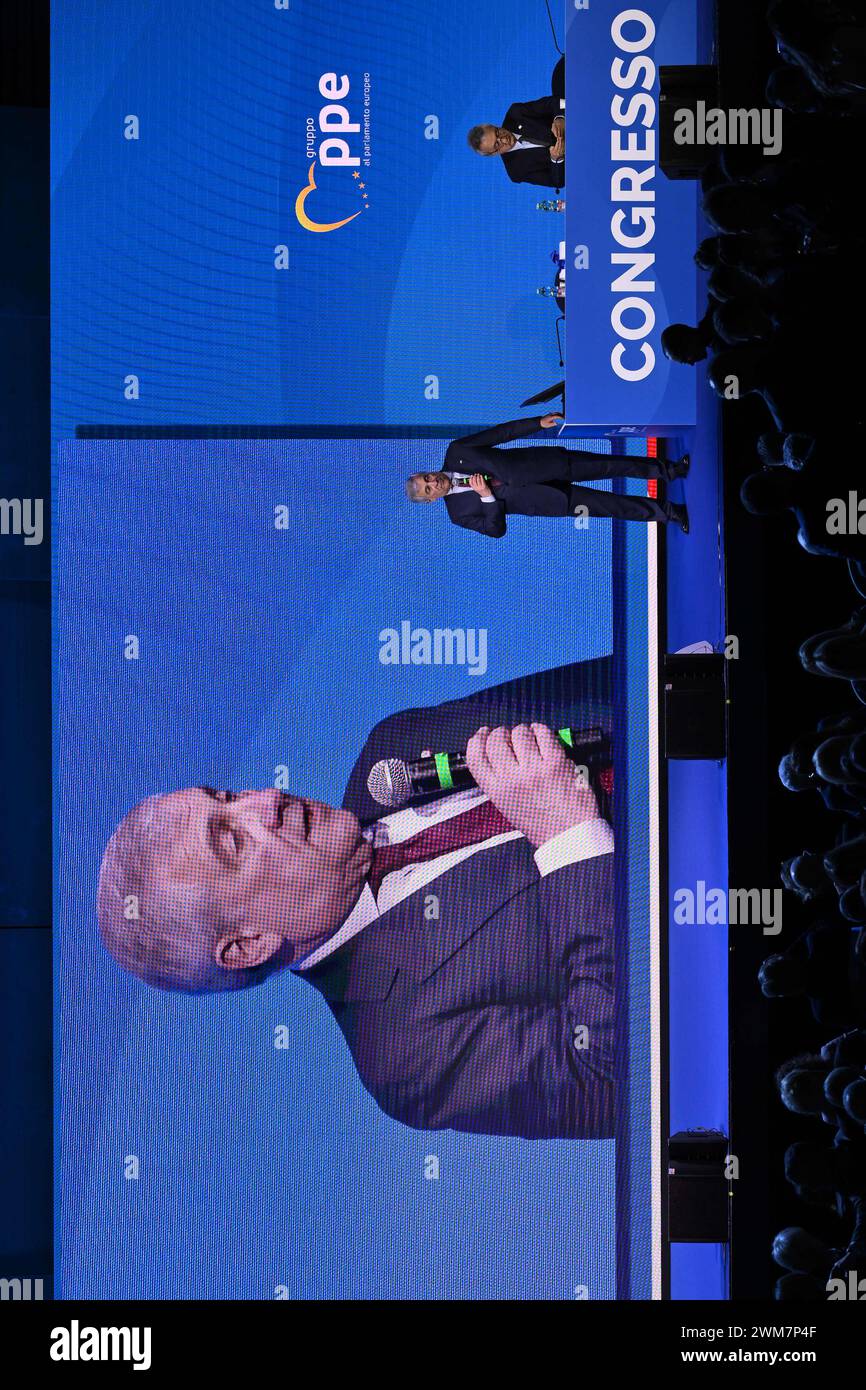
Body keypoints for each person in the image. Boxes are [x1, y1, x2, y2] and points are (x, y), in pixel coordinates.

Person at [97, 657, 618, 1139]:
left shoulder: (391, 749)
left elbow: (605, 684)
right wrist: (566, 834)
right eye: (233, 840)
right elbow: (612, 1075)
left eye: (228, 797)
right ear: (249, 944)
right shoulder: (403, 1054)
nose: (268, 801)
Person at [406, 414, 689, 537]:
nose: (433, 483)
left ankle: (669, 470)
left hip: (546, 463)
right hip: (548, 500)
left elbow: (500, 434)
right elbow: (495, 530)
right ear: (431, 501)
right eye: (428, 490)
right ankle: (668, 512)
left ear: (428, 472)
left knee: (610, 464)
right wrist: (486, 497)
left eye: (427, 478)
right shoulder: (458, 514)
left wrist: (536, 424)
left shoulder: (458, 451)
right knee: (610, 506)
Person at [467, 84, 565, 188]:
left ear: (495, 126)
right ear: (492, 154)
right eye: (497, 144)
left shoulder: (516, 113)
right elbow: (557, 182)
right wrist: (556, 159)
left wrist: (559, 118)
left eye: (497, 133)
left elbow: (554, 102)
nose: (504, 139)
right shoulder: (516, 171)